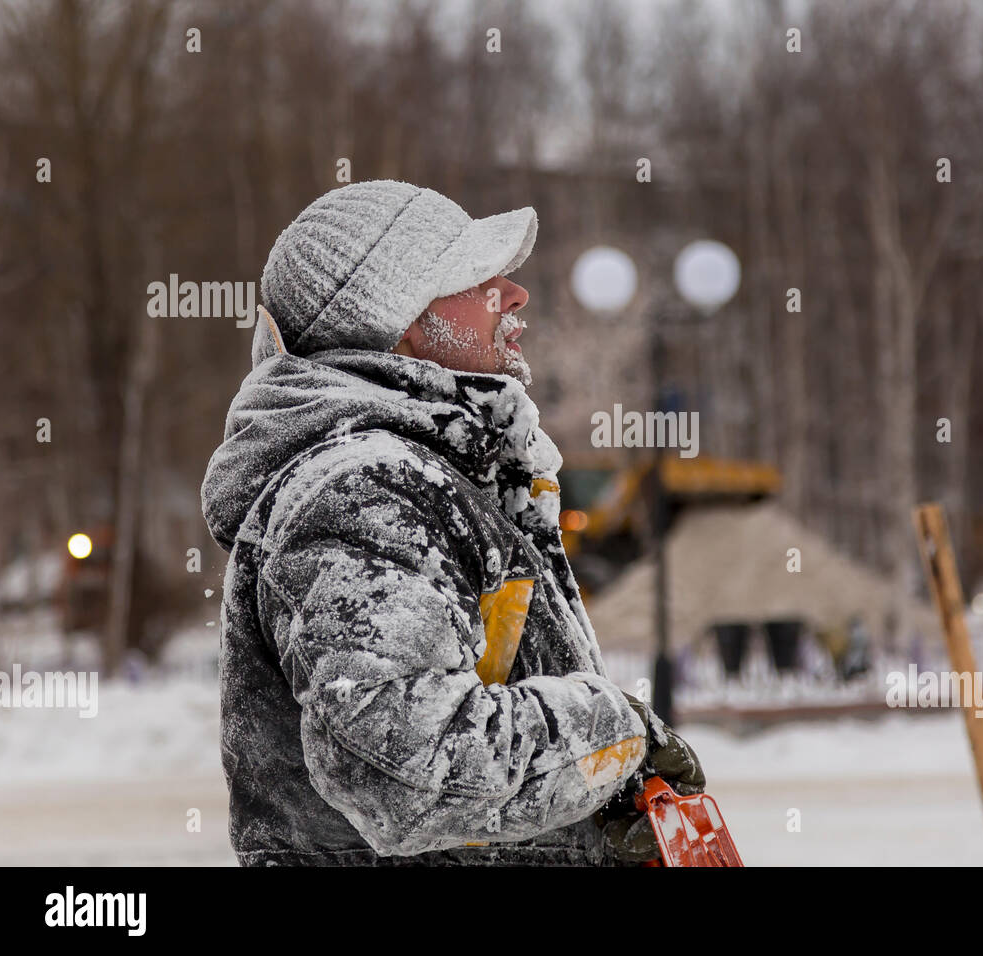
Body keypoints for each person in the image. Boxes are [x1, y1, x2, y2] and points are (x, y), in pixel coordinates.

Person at [201, 180, 703, 866]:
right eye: (477, 278)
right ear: (398, 318)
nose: (514, 293)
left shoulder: (428, 477)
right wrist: (614, 735)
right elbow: (406, 771)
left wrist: (590, 810)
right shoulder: (360, 491)